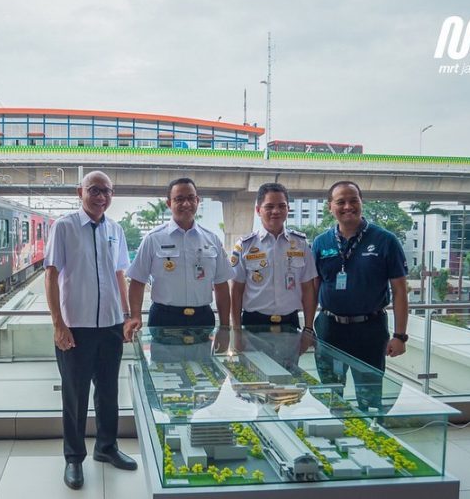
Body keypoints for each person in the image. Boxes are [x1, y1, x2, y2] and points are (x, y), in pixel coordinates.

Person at [44, 171, 137, 491]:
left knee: (109, 392)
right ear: (80, 192)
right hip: (76, 328)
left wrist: (126, 316)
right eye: (95, 190)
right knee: (75, 395)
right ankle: (74, 458)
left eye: (107, 191)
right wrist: (58, 324)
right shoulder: (65, 227)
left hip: (111, 325)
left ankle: (106, 447)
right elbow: (51, 275)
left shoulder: (115, 229)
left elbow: (119, 274)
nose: (101, 197)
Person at [311, 180, 409, 410]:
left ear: (361, 202)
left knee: (370, 399)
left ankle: (370, 441)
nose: (348, 206)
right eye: (340, 202)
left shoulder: (385, 241)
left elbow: (400, 291)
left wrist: (400, 335)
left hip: (369, 331)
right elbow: (312, 289)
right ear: (330, 207)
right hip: (330, 329)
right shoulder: (320, 242)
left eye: (353, 200)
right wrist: (308, 328)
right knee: (331, 397)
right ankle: (334, 440)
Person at [126, 178, 233, 342]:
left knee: (203, 366)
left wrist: (225, 326)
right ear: (169, 203)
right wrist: (135, 316)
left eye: (191, 198)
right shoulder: (153, 238)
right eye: (179, 199)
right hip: (164, 319)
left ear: (198, 201)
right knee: (164, 366)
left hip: (202, 319)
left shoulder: (212, 239)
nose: (186, 204)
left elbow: (221, 285)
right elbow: (137, 281)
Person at [230, 183, 318, 367]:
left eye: (281, 206)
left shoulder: (300, 244)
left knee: (287, 383)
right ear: (258, 210)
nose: (275, 211)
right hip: (253, 325)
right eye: (269, 206)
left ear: (288, 209)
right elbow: (236, 291)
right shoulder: (245, 245)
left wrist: (308, 329)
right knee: (255, 382)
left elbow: (309, 289)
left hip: (290, 325)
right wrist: (236, 331)